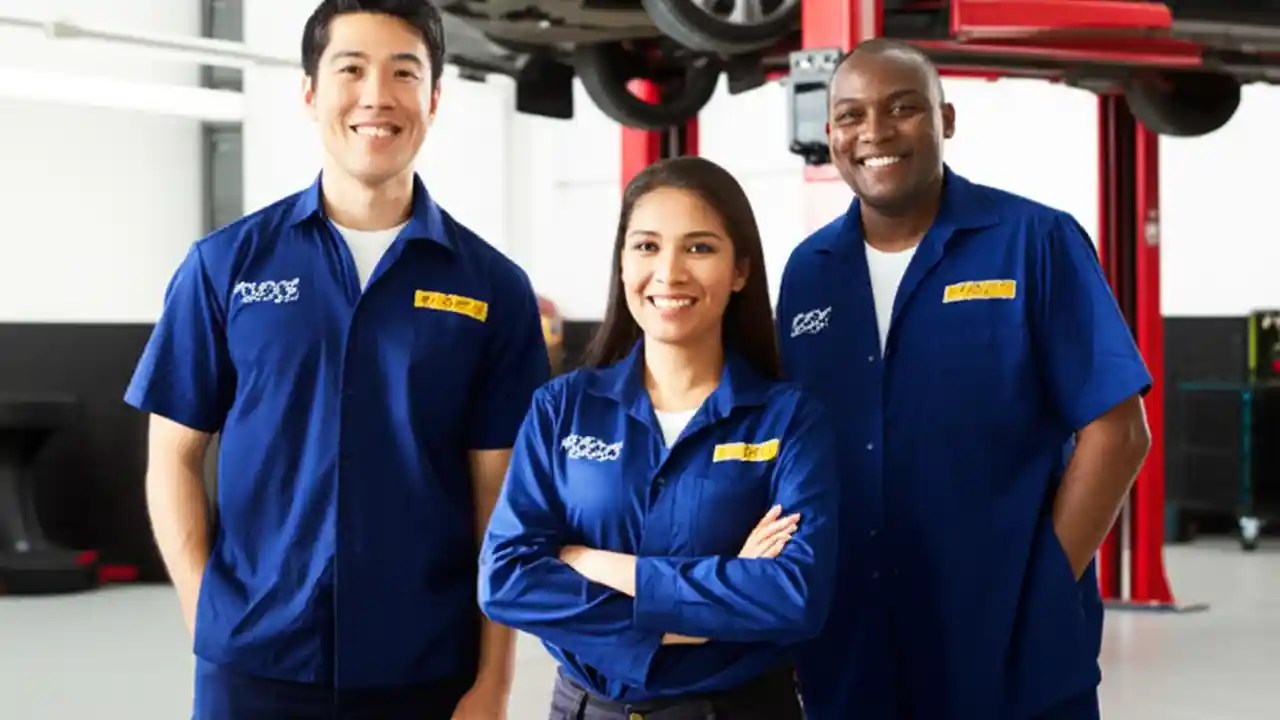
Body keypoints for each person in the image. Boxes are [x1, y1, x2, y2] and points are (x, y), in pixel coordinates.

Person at [123, 1, 549, 717]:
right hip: (254, 665)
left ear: (434, 100)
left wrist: (493, 681)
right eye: (351, 69)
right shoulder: (225, 267)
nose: (376, 96)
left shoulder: (493, 289)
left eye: (404, 73)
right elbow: (172, 456)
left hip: (425, 666)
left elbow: (499, 500)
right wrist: (208, 619)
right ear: (310, 93)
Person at [776, 39, 1153, 720]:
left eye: (903, 108)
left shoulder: (1034, 241)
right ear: (830, 134)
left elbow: (1119, 432)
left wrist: (1042, 587)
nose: (875, 133)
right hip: (854, 646)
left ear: (945, 120)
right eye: (852, 116)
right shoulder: (809, 271)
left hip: (1008, 643)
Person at [477, 156, 841, 719]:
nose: (669, 273)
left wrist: (598, 565)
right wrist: (703, 614)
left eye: (699, 247)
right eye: (647, 246)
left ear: (740, 270)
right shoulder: (562, 408)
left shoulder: (789, 421)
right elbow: (506, 579)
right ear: (622, 263)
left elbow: (794, 595)